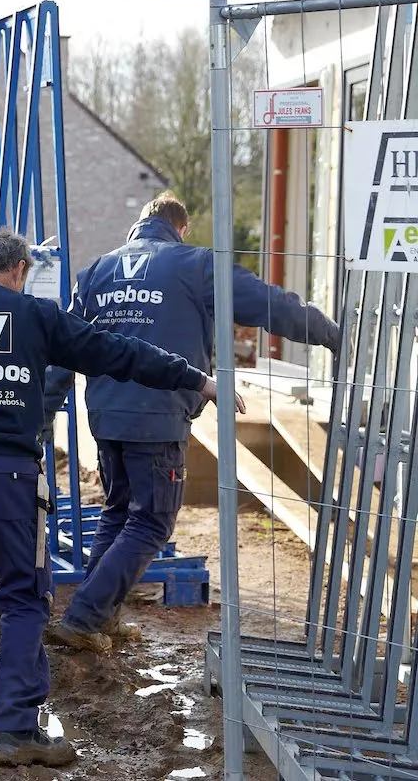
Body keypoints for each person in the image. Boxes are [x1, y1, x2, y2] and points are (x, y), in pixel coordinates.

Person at [0, 228, 240, 768]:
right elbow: (117, 352)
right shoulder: (37, 317)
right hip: (11, 476)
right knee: (22, 598)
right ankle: (17, 728)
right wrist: (194, 378)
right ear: (20, 270)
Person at [42, 191, 341, 653]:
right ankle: (84, 618)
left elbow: (65, 346)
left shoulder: (98, 270)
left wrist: (43, 411)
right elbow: (268, 304)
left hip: (105, 414)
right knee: (152, 523)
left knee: (119, 513)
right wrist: (329, 334)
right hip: (158, 415)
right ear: (181, 229)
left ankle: (101, 616)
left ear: (139, 226)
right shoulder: (193, 264)